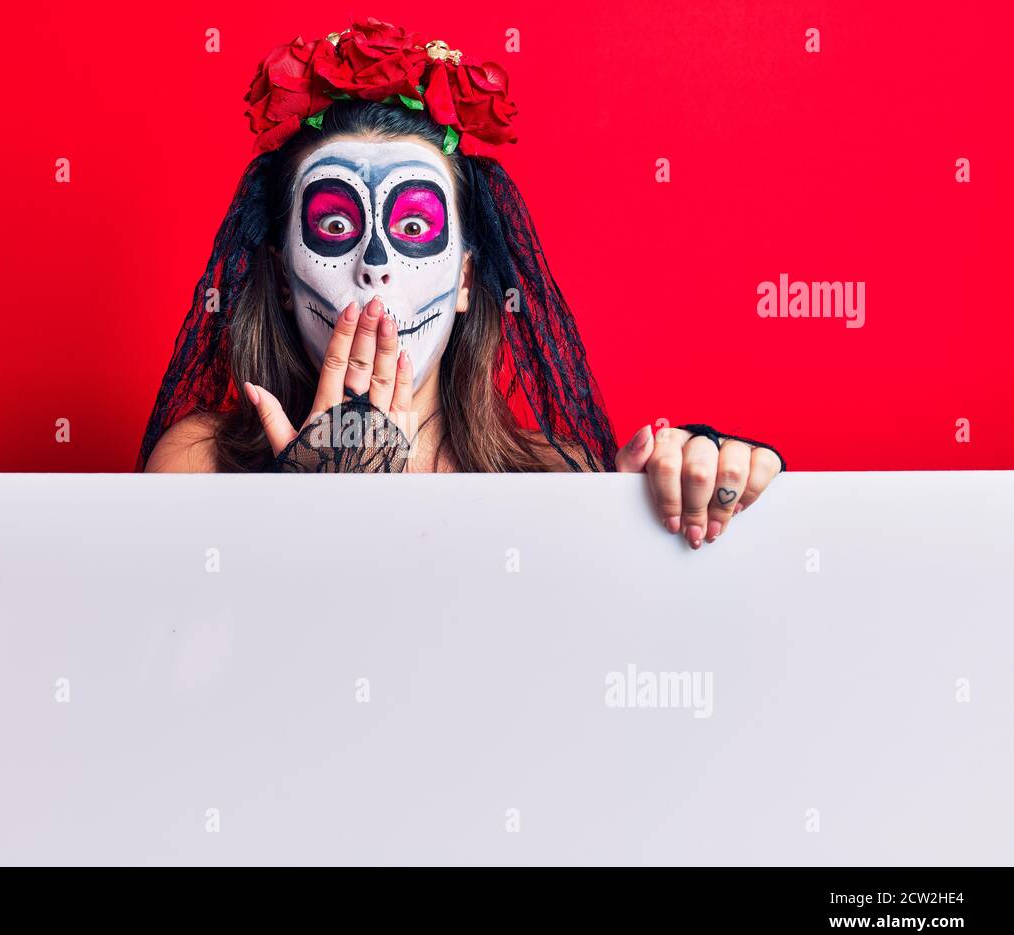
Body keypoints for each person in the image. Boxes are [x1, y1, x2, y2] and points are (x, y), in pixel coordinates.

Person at [138, 18, 783, 550]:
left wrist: (682, 499)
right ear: (282, 278)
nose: (374, 262)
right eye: (335, 221)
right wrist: (312, 520)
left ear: (468, 278)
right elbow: (171, 679)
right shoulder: (201, 463)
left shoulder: (554, 477)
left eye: (414, 224)